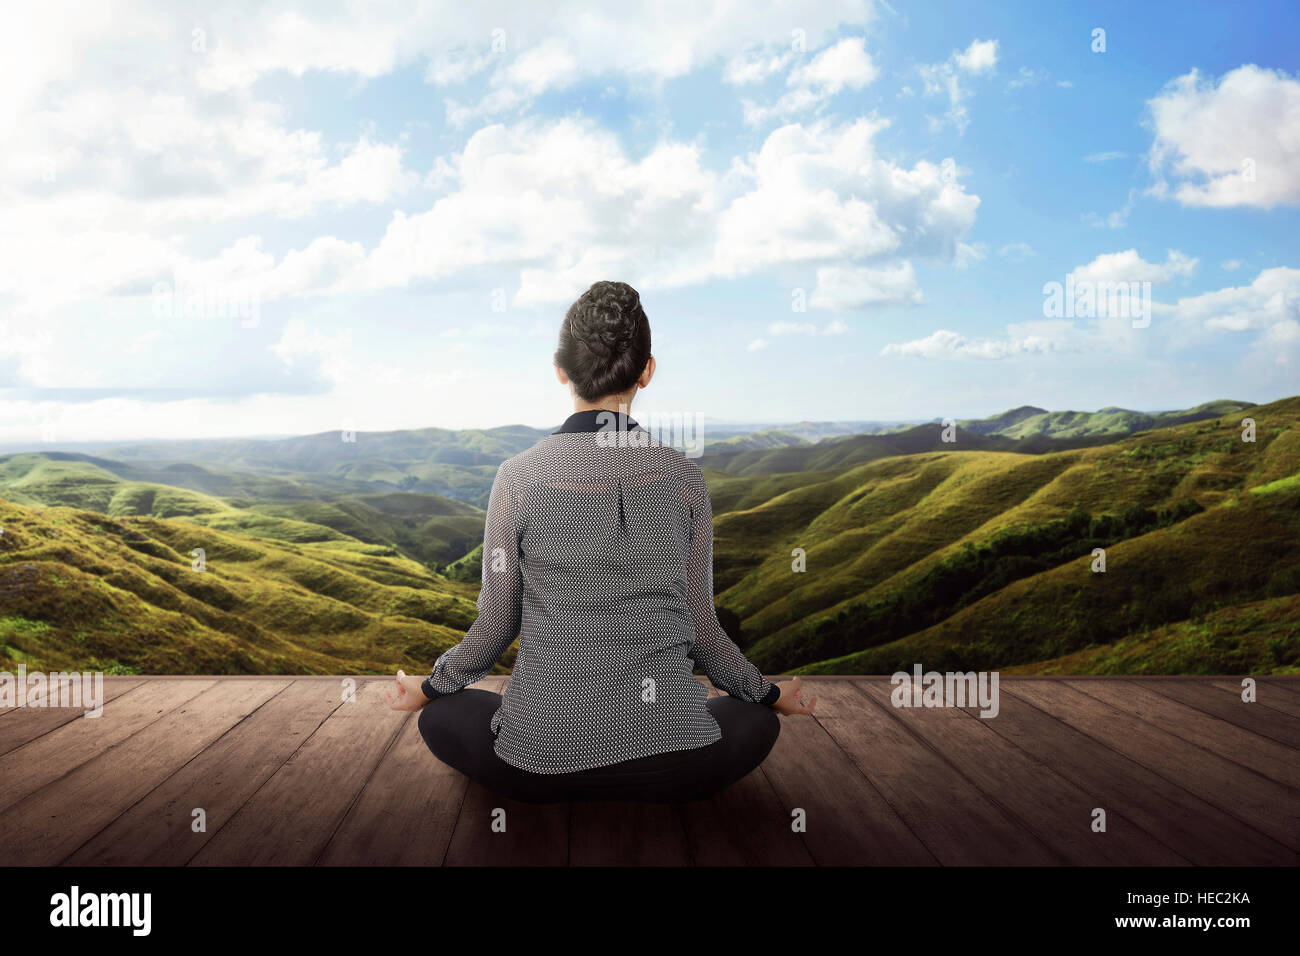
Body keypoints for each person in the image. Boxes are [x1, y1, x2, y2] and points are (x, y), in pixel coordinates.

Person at [385, 280, 815, 803]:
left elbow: (498, 624)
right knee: (756, 721)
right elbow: (704, 629)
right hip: (677, 762)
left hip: (538, 763)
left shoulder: (518, 475)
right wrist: (771, 694)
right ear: (647, 371)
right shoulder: (683, 477)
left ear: (560, 369)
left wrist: (428, 689)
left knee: (445, 714)